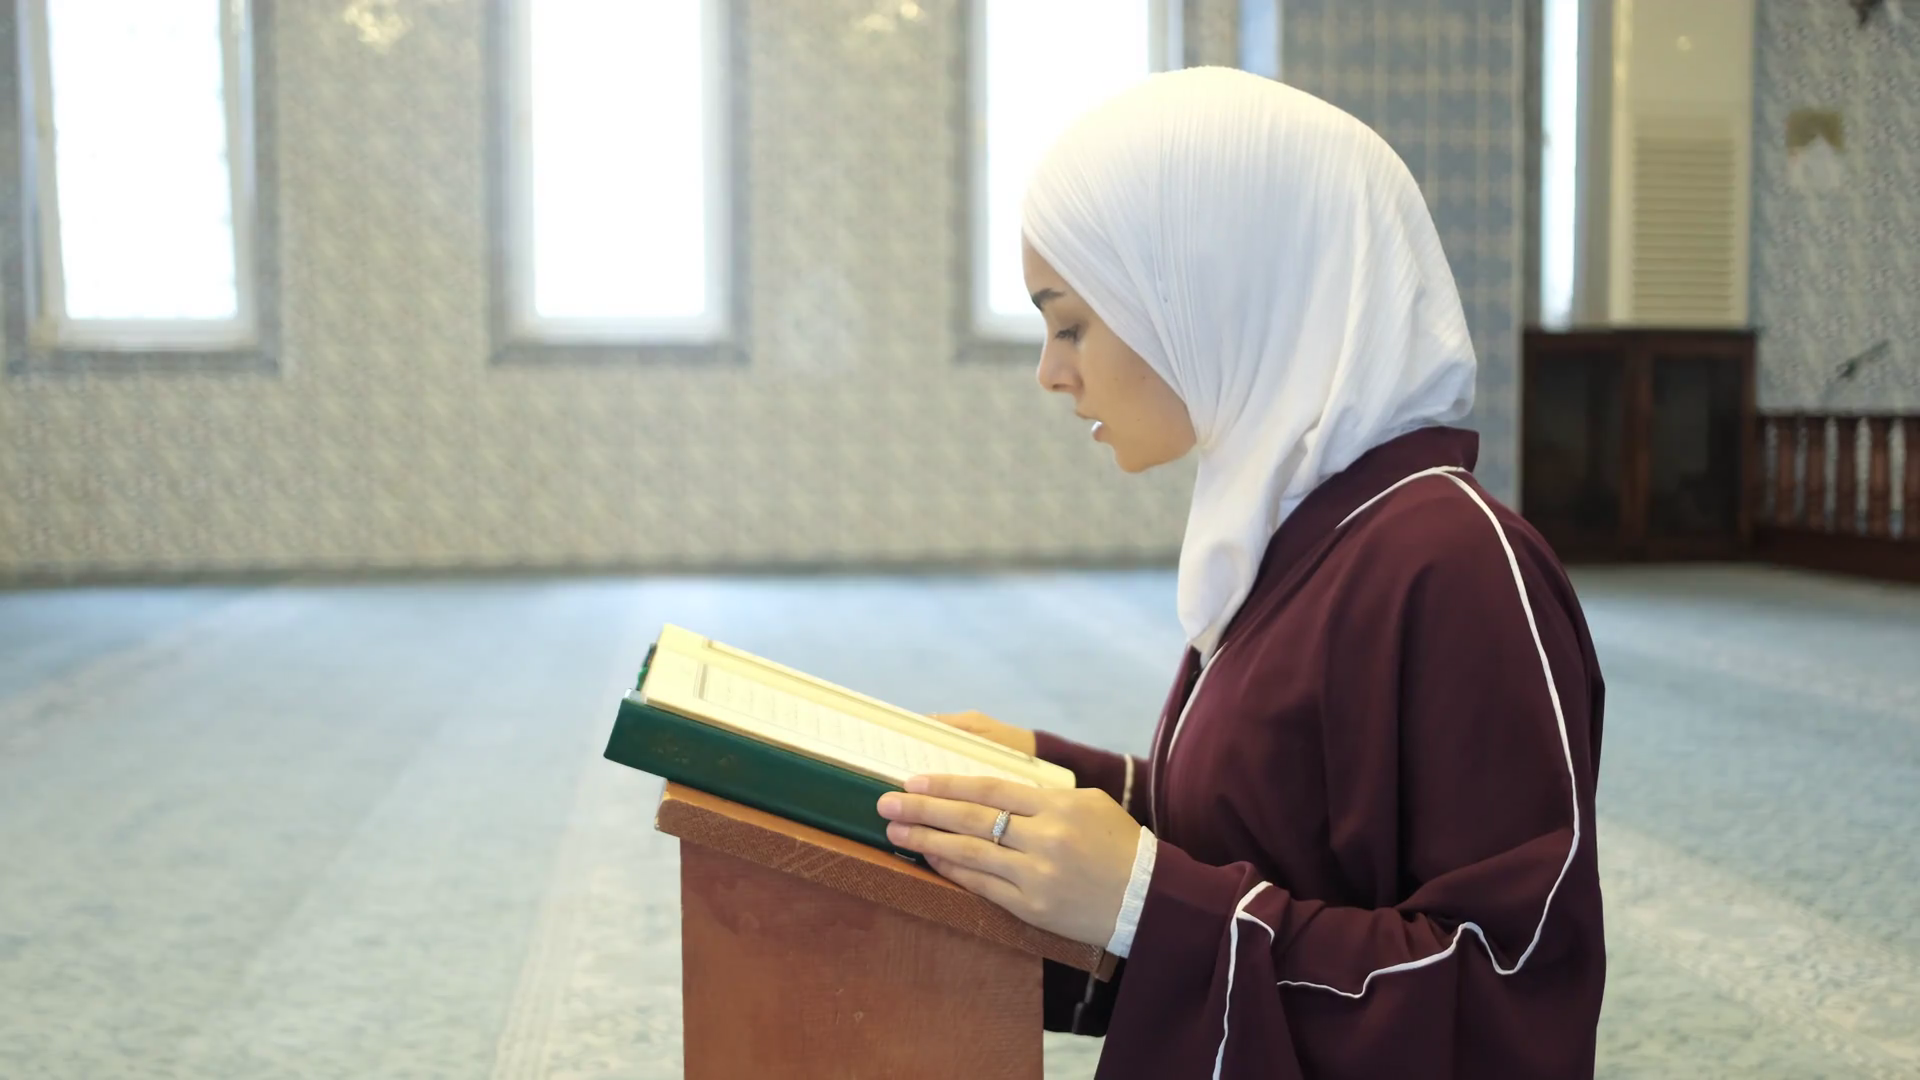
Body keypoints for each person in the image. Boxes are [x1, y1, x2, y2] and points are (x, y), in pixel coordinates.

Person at [874, 68, 1606, 1078]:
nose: (1051, 370)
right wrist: (1049, 776)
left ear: (1209, 291)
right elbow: (1273, 830)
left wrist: (1146, 903)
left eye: (1072, 322)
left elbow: (1503, 994)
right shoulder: (1293, 527)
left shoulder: (1456, 565)